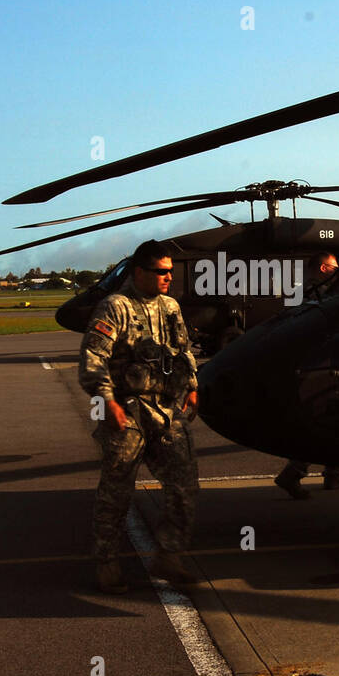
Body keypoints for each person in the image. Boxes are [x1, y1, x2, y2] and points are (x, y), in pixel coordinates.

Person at [79, 240, 201, 593]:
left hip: (164, 410)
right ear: (139, 273)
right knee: (116, 490)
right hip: (127, 409)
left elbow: (182, 349)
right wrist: (107, 401)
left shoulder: (170, 306)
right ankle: (106, 562)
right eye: (160, 271)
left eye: (170, 271)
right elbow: (92, 359)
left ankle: (169, 555)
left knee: (184, 483)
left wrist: (191, 384)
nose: (168, 277)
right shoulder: (115, 307)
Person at [274, 251, 339, 499]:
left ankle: (334, 473)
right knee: (321, 421)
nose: (338, 271)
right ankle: (293, 473)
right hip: (321, 367)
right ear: (324, 269)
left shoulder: (304, 292)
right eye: (335, 267)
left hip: (325, 364)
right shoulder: (317, 293)